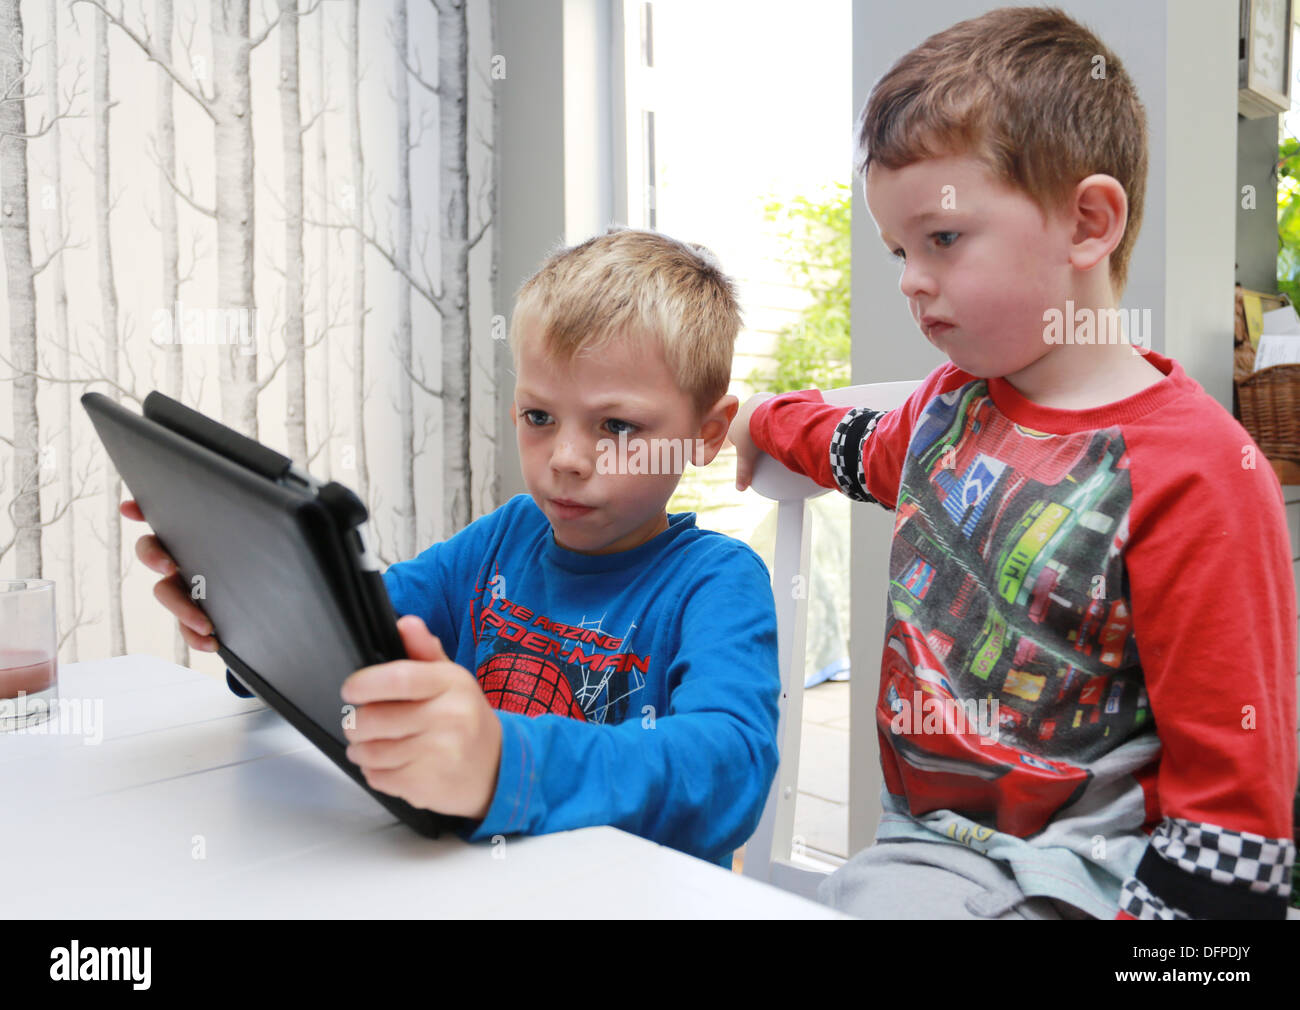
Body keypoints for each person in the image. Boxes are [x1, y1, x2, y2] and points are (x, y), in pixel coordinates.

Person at [730, 5, 1296, 919]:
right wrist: (762, 415)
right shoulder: (946, 412)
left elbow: (1237, 803)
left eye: (943, 239)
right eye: (899, 250)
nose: (911, 277)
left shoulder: (1199, 474)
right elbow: (852, 447)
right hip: (933, 859)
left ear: (1087, 223)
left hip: (1098, 880)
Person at [124, 227, 781, 868]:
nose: (567, 459)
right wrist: (241, 600)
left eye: (616, 425)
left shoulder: (717, 582)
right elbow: (356, 628)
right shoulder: (501, 541)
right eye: (539, 417)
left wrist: (504, 762)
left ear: (706, 433)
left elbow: (728, 768)